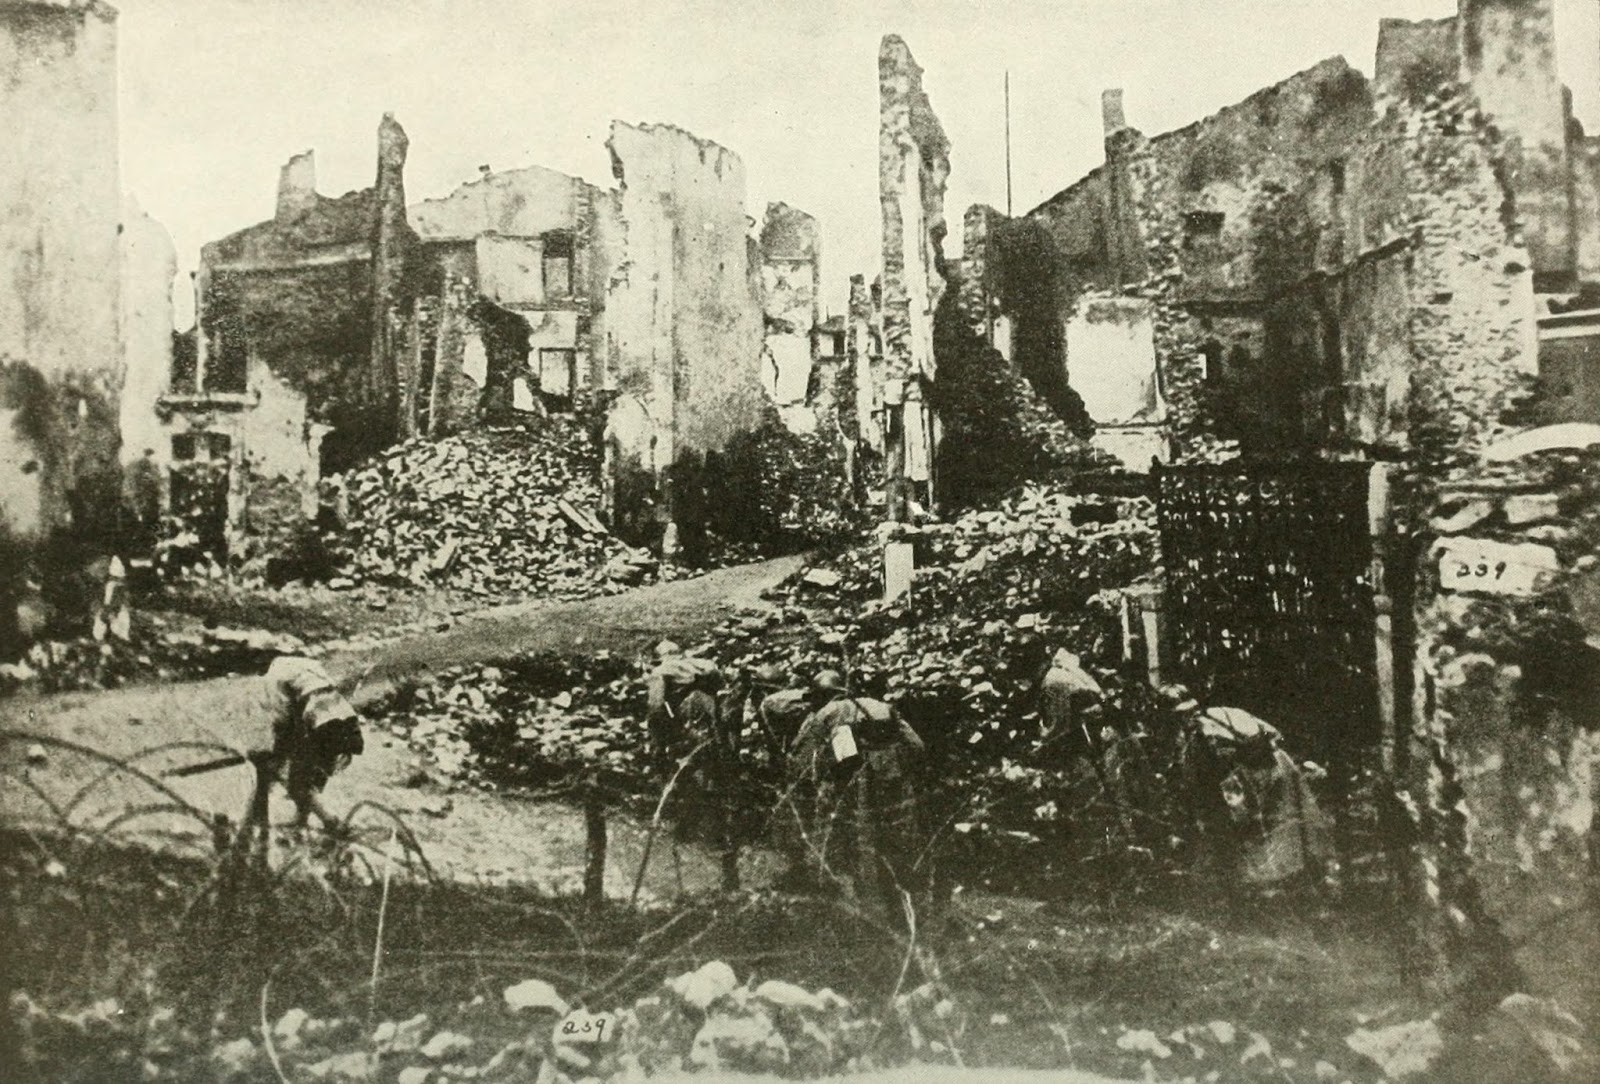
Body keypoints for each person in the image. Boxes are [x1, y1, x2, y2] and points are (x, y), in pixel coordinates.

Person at [782, 670, 932, 926]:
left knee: (847, 845)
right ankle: (902, 910)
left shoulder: (827, 713)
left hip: (850, 788)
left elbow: (801, 754)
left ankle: (857, 913)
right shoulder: (883, 707)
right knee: (894, 846)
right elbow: (916, 746)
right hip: (891, 784)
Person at [235, 655, 365, 860]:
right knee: (308, 778)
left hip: (321, 724)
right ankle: (299, 828)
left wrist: (273, 749)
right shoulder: (301, 664)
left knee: (298, 786)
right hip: (345, 721)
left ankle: (334, 825)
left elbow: (281, 716)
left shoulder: (273, 676)